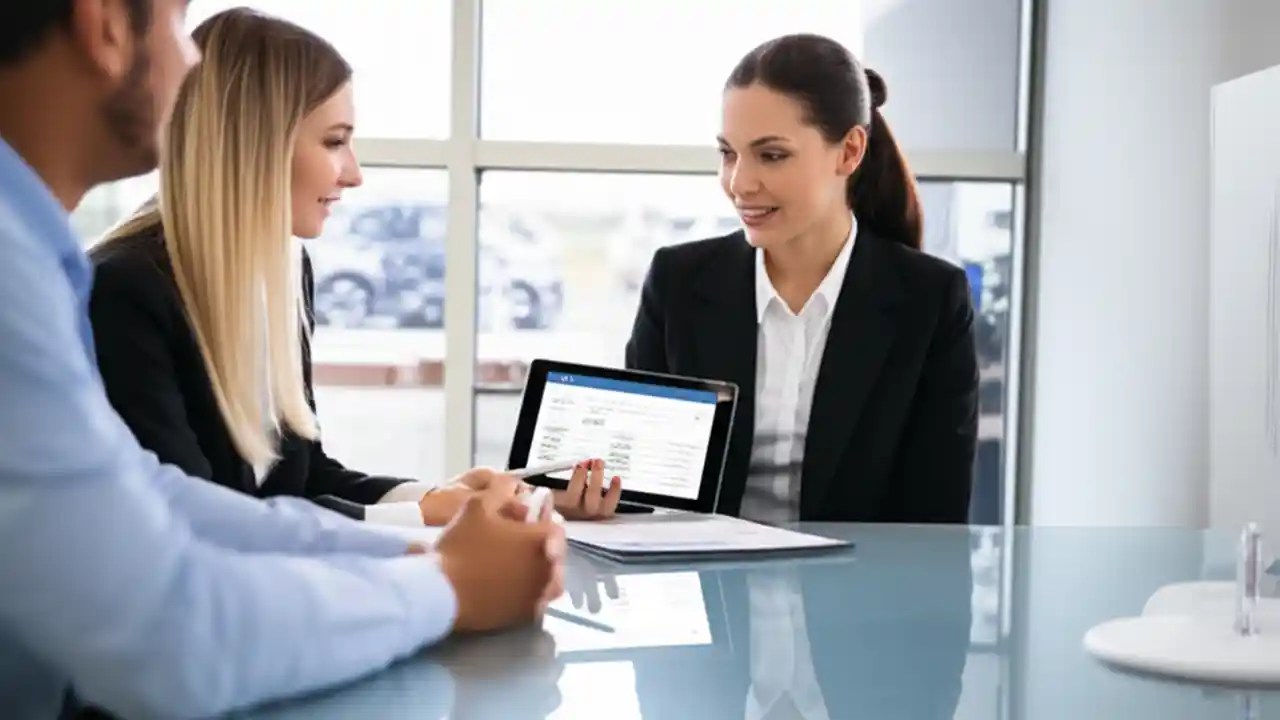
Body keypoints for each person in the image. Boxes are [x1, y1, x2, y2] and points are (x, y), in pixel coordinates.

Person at [0, 2, 563, 718]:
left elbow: (165, 499)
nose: (195, 63)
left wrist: (426, 541)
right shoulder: (76, 283)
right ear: (105, 24)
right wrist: (448, 583)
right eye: (178, 21)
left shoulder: (35, 261)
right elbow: (170, 627)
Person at [86, 7, 623, 527]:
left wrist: (446, 497)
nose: (354, 174)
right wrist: (423, 514)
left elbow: (304, 479)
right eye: (334, 142)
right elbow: (202, 521)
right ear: (256, 145)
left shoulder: (281, 273)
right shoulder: (122, 292)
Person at [625, 33, 978, 525]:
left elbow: (934, 519)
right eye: (729, 154)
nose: (739, 183)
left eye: (771, 155)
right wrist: (598, 499)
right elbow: (640, 488)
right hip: (705, 590)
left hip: (859, 591)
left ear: (849, 152)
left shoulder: (930, 301)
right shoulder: (677, 283)